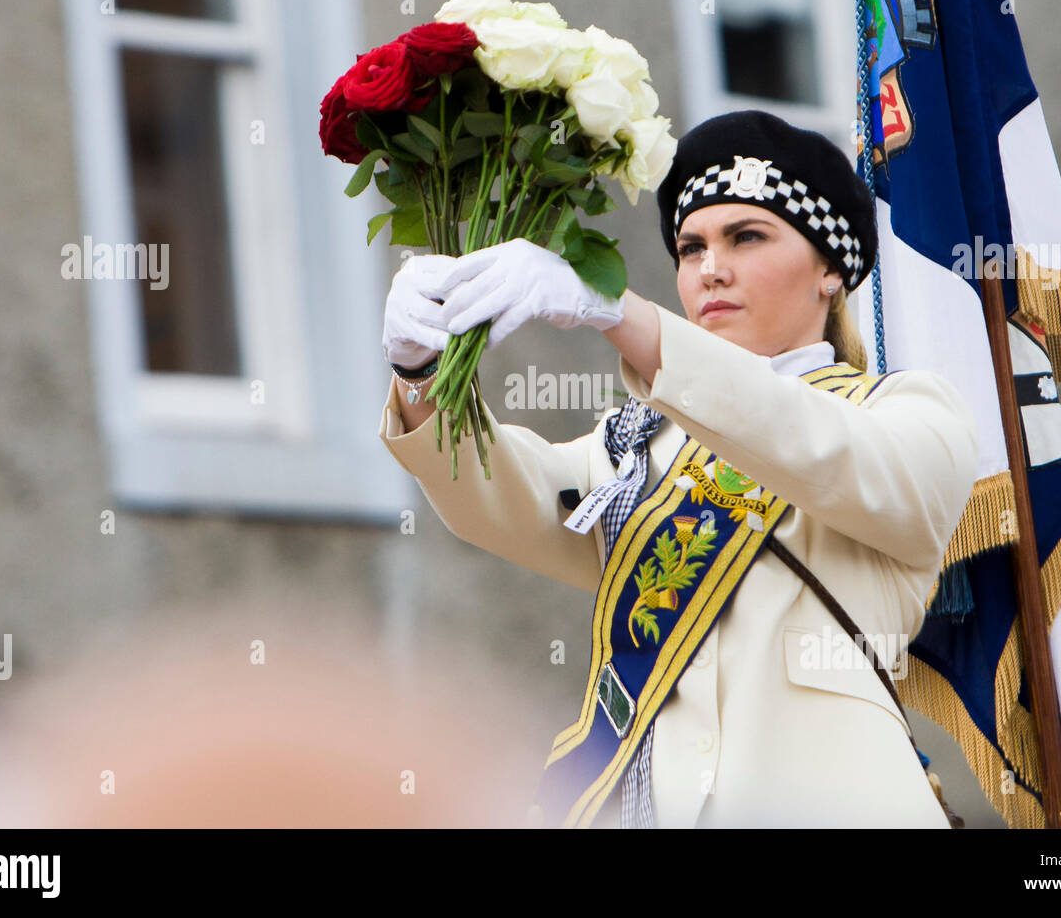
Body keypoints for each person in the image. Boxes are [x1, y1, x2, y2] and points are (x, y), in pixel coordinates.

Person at [376, 109, 979, 828]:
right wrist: (421, 373)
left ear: (830, 270)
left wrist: (615, 313)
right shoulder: (640, 442)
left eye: (746, 237)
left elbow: (806, 439)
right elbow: (504, 498)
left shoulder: (910, 415)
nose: (710, 268)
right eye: (692, 248)